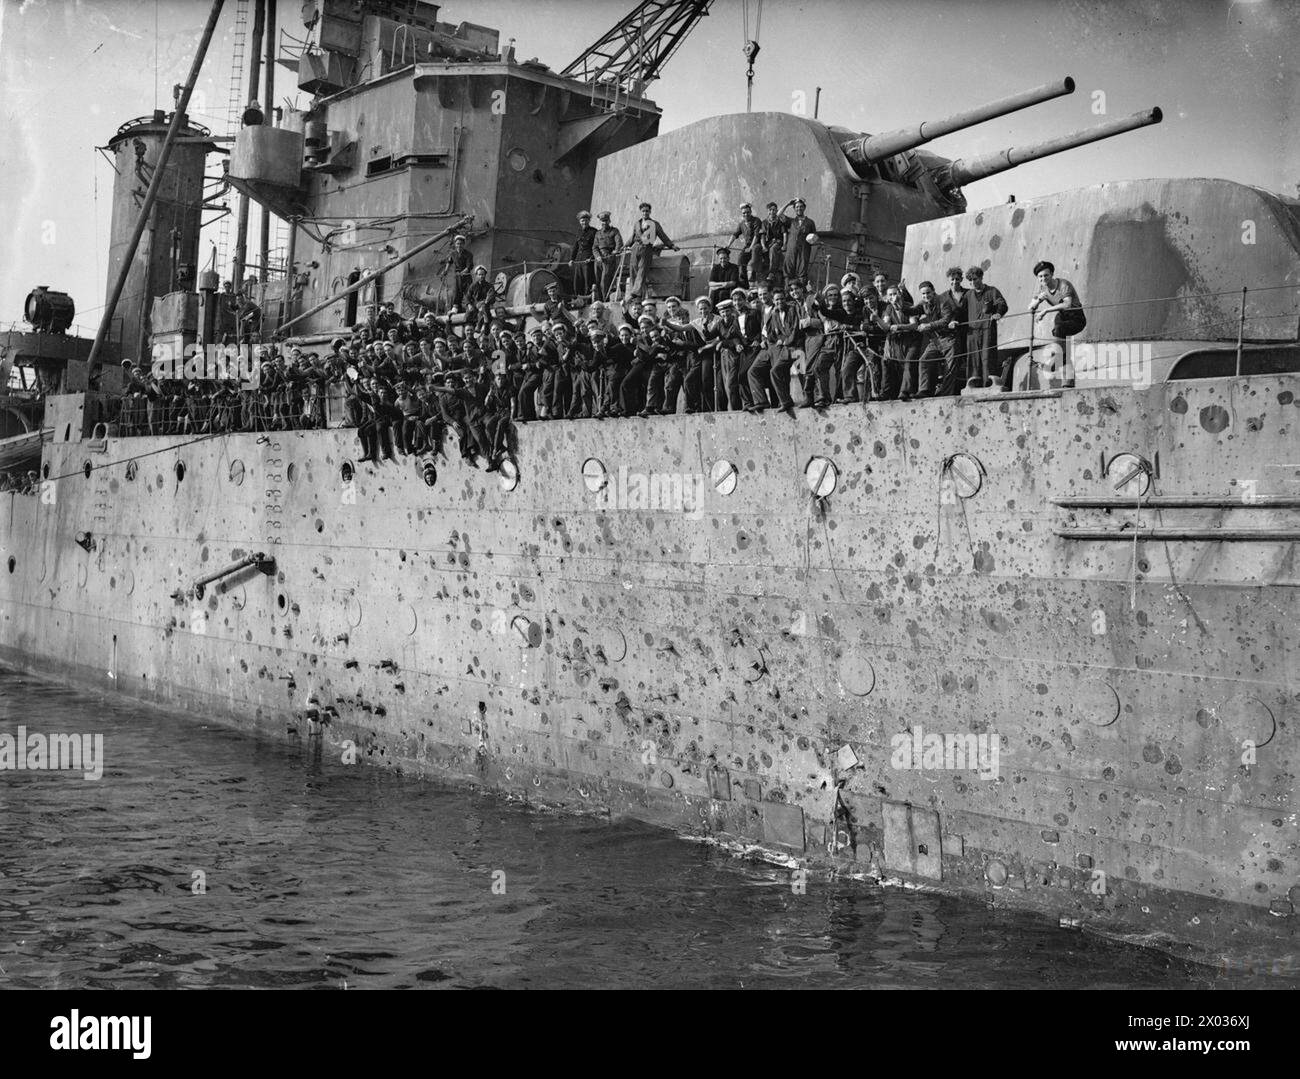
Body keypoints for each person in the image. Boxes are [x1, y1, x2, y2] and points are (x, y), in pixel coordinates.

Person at [1027, 259, 1084, 389]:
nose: (1043, 278)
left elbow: (1067, 304)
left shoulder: (1063, 284)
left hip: (1076, 317)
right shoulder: (1043, 288)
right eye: (1040, 276)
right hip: (1062, 316)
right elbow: (1033, 303)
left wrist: (1045, 310)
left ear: (1052, 274)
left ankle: (1053, 362)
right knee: (1063, 344)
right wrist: (1035, 302)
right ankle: (1066, 380)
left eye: (1046, 275)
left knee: (1060, 329)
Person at [749, 286, 800, 413]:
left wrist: (783, 341)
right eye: (760, 295)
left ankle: (784, 402)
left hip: (784, 346)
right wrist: (763, 340)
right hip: (767, 346)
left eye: (765, 294)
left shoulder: (789, 309)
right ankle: (761, 401)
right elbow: (768, 330)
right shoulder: (765, 310)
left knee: (779, 372)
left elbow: (792, 329)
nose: (762, 297)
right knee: (752, 371)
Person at [910, 280, 960, 398]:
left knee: (950, 367)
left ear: (933, 292)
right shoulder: (924, 303)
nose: (926, 296)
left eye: (928, 293)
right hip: (936, 340)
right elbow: (912, 310)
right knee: (924, 360)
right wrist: (899, 304)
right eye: (923, 294)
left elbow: (945, 320)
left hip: (949, 338)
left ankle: (946, 395)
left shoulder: (943, 302)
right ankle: (924, 390)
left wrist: (928, 325)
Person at [962, 266, 1009, 389]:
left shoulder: (992, 291)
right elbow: (960, 311)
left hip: (987, 329)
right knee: (973, 358)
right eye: (970, 281)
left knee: (987, 356)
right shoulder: (968, 295)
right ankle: (974, 385)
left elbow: (1002, 303)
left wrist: (998, 312)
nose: (973, 283)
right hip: (972, 332)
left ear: (981, 277)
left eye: (975, 279)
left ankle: (988, 384)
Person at [627, 202, 678, 300]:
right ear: (640, 212)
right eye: (643, 211)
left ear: (650, 212)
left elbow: (662, 235)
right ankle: (634, 293)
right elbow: (632, 237)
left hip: (647, 248)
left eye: (647, 211)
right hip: (635, 248)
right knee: (633, 270)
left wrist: (671, 245)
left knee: (642, 270)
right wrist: (625, 246)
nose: (645, 213)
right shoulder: (637, 224)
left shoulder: (655, 224)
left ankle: (635, 293)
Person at [781, 198, 817, 286]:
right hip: (791, 248)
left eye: (801, 206)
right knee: (788, 269)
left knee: (802, 270)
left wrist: (813, 239)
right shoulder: (791, 221)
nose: (799, 208)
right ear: (794, 209)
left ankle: (801, 291)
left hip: (804, 249)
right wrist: (788, 203)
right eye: (796, 207)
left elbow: (815, 236)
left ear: (804, 208)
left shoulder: (810, 222)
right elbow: (779, 215)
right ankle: (787, 290)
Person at [592, 211, 624, 301]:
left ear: (609, 221)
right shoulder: (598, 233)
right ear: (600, 222)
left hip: (608, 259)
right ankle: (600, 300)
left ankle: (606, 300)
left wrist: (615, 252)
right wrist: (597, 256)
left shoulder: (614, 231)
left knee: (604, 281)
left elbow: (619, 243)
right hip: (598, 260)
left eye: (606, 220)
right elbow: (594, 247)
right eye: (602, 221)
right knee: (598, 281)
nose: (604, 223)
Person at [730, 203, 762, 287]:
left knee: (754, 256)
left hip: (757, 244)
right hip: (747, 246)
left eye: (747, 212)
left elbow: (756, 235)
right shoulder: (741, 224)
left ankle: (755, 278)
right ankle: (744, 284)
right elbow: (735, 234)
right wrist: (728, 245)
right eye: (744, 213)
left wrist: (751, 248)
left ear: (750, 212)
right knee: (740, 259)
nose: (746, 214)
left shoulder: (756, 220)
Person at [759, 202, 787, 290]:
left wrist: (785, 245)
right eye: (770, 210)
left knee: (773, 249)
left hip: (778, 242)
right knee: (760, 250)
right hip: (768, 242)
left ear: (776, 211)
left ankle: (772, 272)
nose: (772, 212)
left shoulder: (780, 222)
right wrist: (763, 246)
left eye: (774, 210)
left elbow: (785, 234)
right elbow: (762, 235)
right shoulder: (764, 222)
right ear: (768, 211)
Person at [441, 235, 473, 309]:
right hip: (458, 276)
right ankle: (456, 307)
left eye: (461, 244)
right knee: (457, 291)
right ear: (455, 244)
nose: (459, 245)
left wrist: (462, 273)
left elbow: (469, 267)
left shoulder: (468, 254)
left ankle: (470, 305)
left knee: (468, 291)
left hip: (466, 276)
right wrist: (445, 271)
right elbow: (449, 262)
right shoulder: (453, 254)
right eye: (457, 244)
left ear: (464, 244)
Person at [571, 211, 598, 299]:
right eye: (582, 220)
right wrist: (572, 259)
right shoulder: (579, 232)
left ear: (589, 221)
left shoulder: (594, 231)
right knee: (577, 281)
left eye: (586, 220)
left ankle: (587, 301)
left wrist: (591, 258)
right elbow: (575, 246)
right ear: (580, 222)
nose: (584, 222)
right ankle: (578, 300)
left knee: (588, 281)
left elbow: (596, 246)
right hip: (579, 260)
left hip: (588, 261)